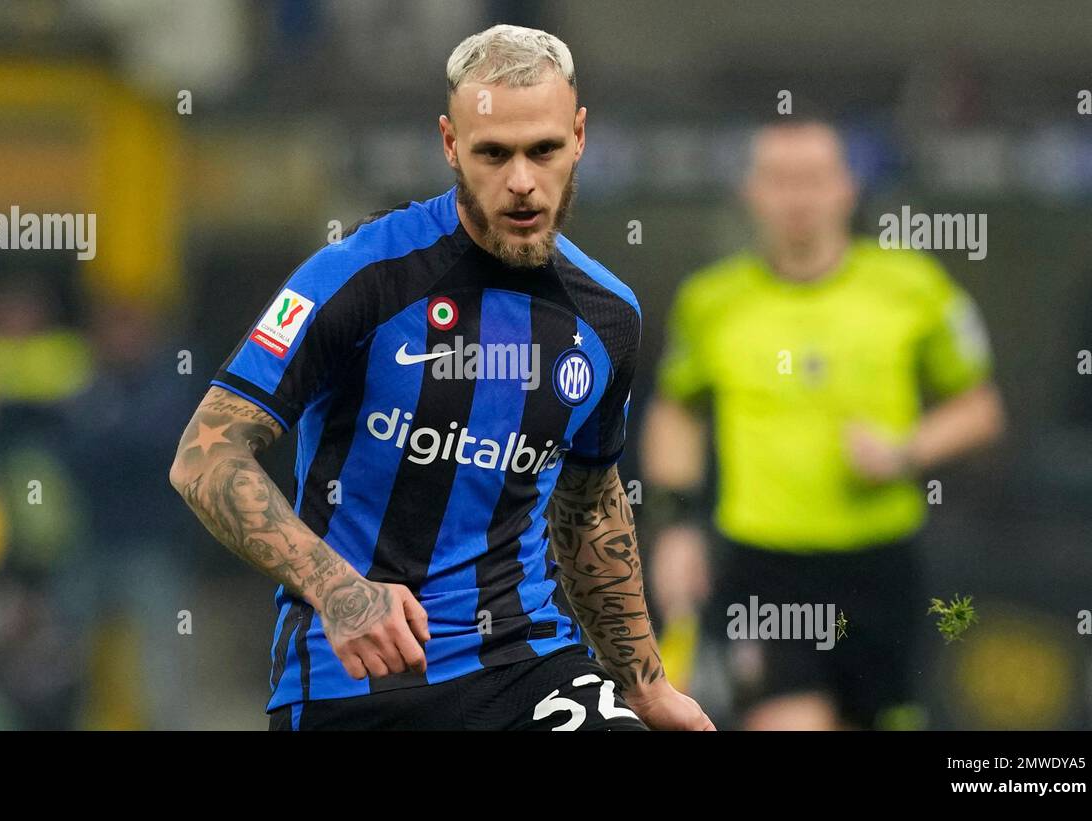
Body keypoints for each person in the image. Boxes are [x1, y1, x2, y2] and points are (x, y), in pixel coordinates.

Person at [169, 24, 711, 731]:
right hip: (355, 681)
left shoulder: (607, 317)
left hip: (525, 666)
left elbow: (589, 503)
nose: (521, 181)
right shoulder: (357, 276)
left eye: (543, 150)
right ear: (451, 145)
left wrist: (644, 684)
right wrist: (338, 589)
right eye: (494, 153)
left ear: (579, 137)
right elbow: (204, 456)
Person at [642, 116, 1005, 730]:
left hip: (880, 564)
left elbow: (980, 408)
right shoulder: (713, 302)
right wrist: (676, 525)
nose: (797, 197)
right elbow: (678, 410)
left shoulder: (912, 288)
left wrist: (904, 451)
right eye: (779, 179)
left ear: (847, 188)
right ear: (751, 192)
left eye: (813, 178)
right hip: (765, 565)